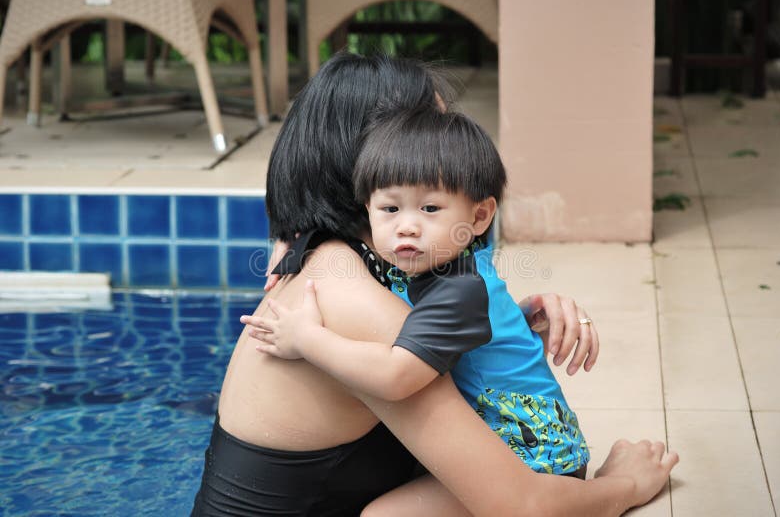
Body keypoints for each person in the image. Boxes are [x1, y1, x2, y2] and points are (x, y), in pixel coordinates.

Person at [191, 52, 677, 517]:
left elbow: (450, 302)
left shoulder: (327, 255)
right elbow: (522, 506)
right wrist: (624, 485)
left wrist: (509, 319)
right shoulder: (351, 303)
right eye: (429, 133)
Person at [250, 107, 591, 502]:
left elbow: (397, 377)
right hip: (488, 445)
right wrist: (291, 242)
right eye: (390, 209)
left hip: (537, 461)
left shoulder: (458, 289)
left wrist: (306, 339)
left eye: (430, 209)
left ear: (479, 217)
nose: (406, 225)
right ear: (368, 211)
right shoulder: (419, 259)